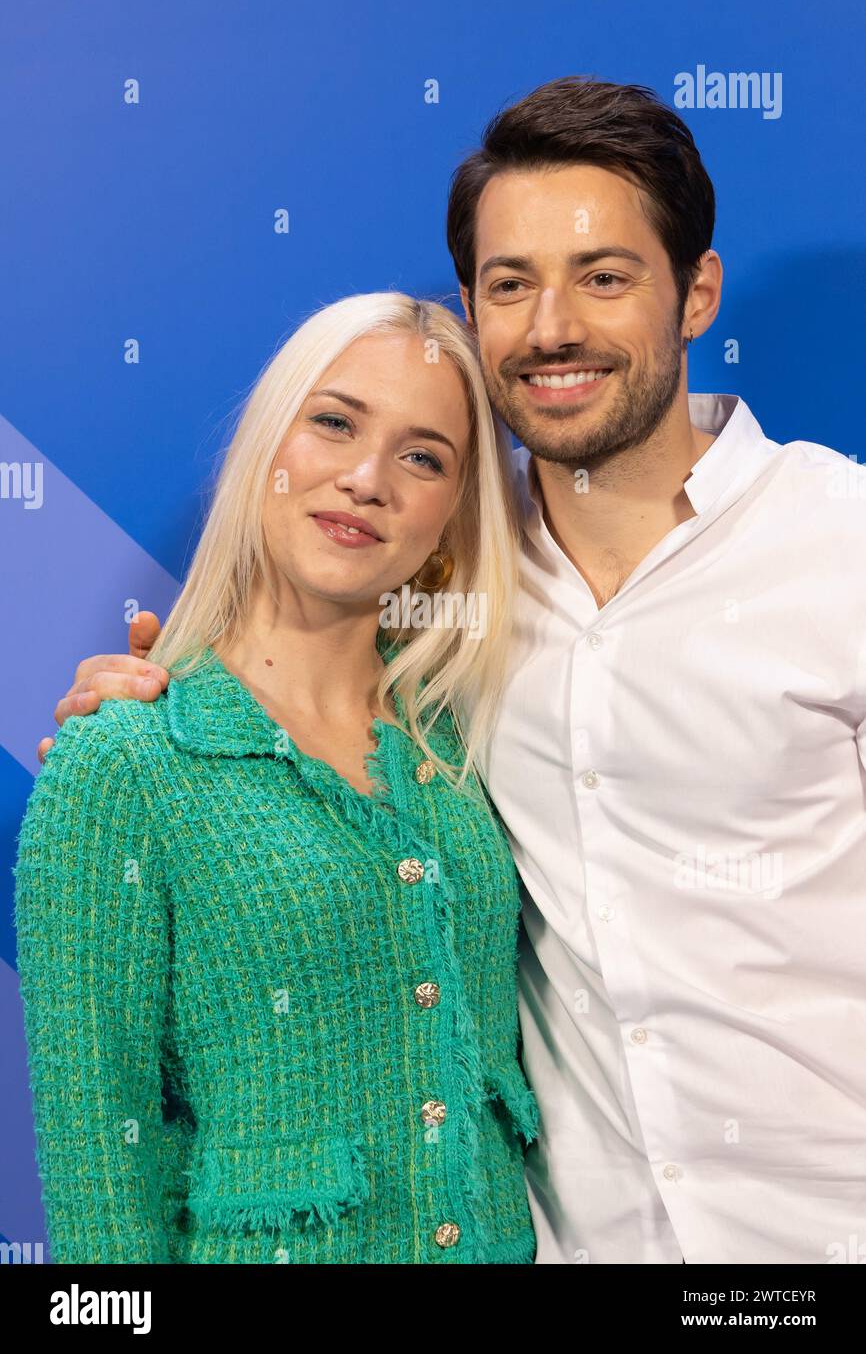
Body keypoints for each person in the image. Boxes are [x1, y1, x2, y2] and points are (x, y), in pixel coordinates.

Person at [41, 76, 866, 1265]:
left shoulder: (839, 544)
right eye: (508, 283)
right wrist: (141, 701)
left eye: (602, 275)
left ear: (696, 293)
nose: (550, 328)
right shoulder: (446, 596)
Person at [14, 291, 541, 1265]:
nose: (365, 477)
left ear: (450, 521)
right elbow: (100, 1169)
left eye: (422, 456)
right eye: (334, 422)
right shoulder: (123, 758)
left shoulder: (463, 746)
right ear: (267, 447)